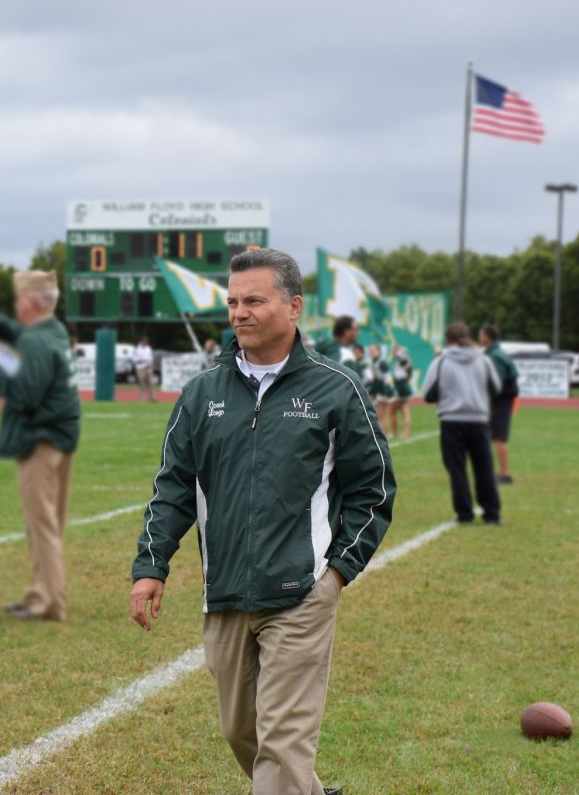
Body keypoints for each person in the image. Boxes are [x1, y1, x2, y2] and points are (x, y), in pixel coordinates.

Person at [130, 248, 394, 795]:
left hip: (300, 591)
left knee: (281, 742)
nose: (239, 312)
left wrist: (336, 572)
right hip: (224, 590)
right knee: (241, 732)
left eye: (254, 300)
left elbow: (374, 490)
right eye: (232, 301)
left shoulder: (335, 390)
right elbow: (172, 486)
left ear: (294, 306)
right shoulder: (203, 393)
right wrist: (150, 564)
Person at [0, 271, 81, 622]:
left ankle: (50, 602)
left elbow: (26, 392)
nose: (16, 305)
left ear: (31, 301)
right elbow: (24, 339)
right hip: (59, 436)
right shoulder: (53, 330)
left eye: (18, 299)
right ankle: (41, 593)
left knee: (41, 525)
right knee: (49, 523)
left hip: (40, 440)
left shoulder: (35, 341)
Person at [421, 322, 502, 525]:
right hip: (479, 420)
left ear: (448, 340)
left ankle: (464, 513)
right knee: (484, 467)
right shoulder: (483, 360)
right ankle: (491, 513)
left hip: (451, 421)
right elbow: (495, 387)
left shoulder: (441, 362)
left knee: (457, 469)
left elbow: (427, 394)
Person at [479, 324, 520, 484]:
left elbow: (497, 383)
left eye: (481, 335)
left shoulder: (495, 356)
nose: (479, 338)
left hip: (501, 400)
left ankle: (504, 474)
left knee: (498, 437)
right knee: (494, 436)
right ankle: (498, 472)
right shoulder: (494, 353)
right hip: (501, 399)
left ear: (488, 337)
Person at [366, 343, 393, 436]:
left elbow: (387, 378)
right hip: (379, 391)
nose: (371, 352)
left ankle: (382, 435)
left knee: (381, 415)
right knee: (380, 415)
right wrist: (372, 392)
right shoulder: (374, 362)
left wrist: (385, 393)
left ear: (379, 351)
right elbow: (375, 379)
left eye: (373, 350)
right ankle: (383, 435)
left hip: (384, 392)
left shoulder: (382, 362)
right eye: (370, 351)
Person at [390, 345, 414, 440]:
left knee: (393, 410)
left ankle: (396, 433)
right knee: (403, 409)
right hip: (403, 385)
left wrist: (397, 349)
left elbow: (396, 355)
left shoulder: (403, 359)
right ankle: (405, 433)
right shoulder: (406, 361)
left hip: (400, 386)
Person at [134, 336, 157, 402]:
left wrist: (151, 363)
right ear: (141, 341)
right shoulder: (137, 349)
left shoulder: (148, 348)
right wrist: (144, 361)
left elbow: (151, 357)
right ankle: (142, 398)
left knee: (150, 383)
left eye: (146, 341)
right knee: (142, 383)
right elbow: (135, 359)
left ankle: (152, 398)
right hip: (140, 368)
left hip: (148, 367)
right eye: (144, 341)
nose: (146, 342)